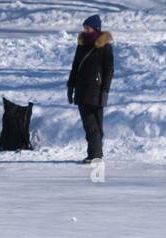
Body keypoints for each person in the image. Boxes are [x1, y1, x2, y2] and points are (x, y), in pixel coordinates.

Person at [67, 14, 113, 163]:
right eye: (85, 28)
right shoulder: (81, 45)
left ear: (96, 28)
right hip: (81, 91)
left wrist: (105, 90)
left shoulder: (105, 47)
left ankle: (96, 155)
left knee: (95, 124)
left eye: (88, 28)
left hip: (96, 90)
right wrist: (70, 86)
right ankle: (95, 154)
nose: (86, 31)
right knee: (89, 124)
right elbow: (75, 67)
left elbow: (109, 70)